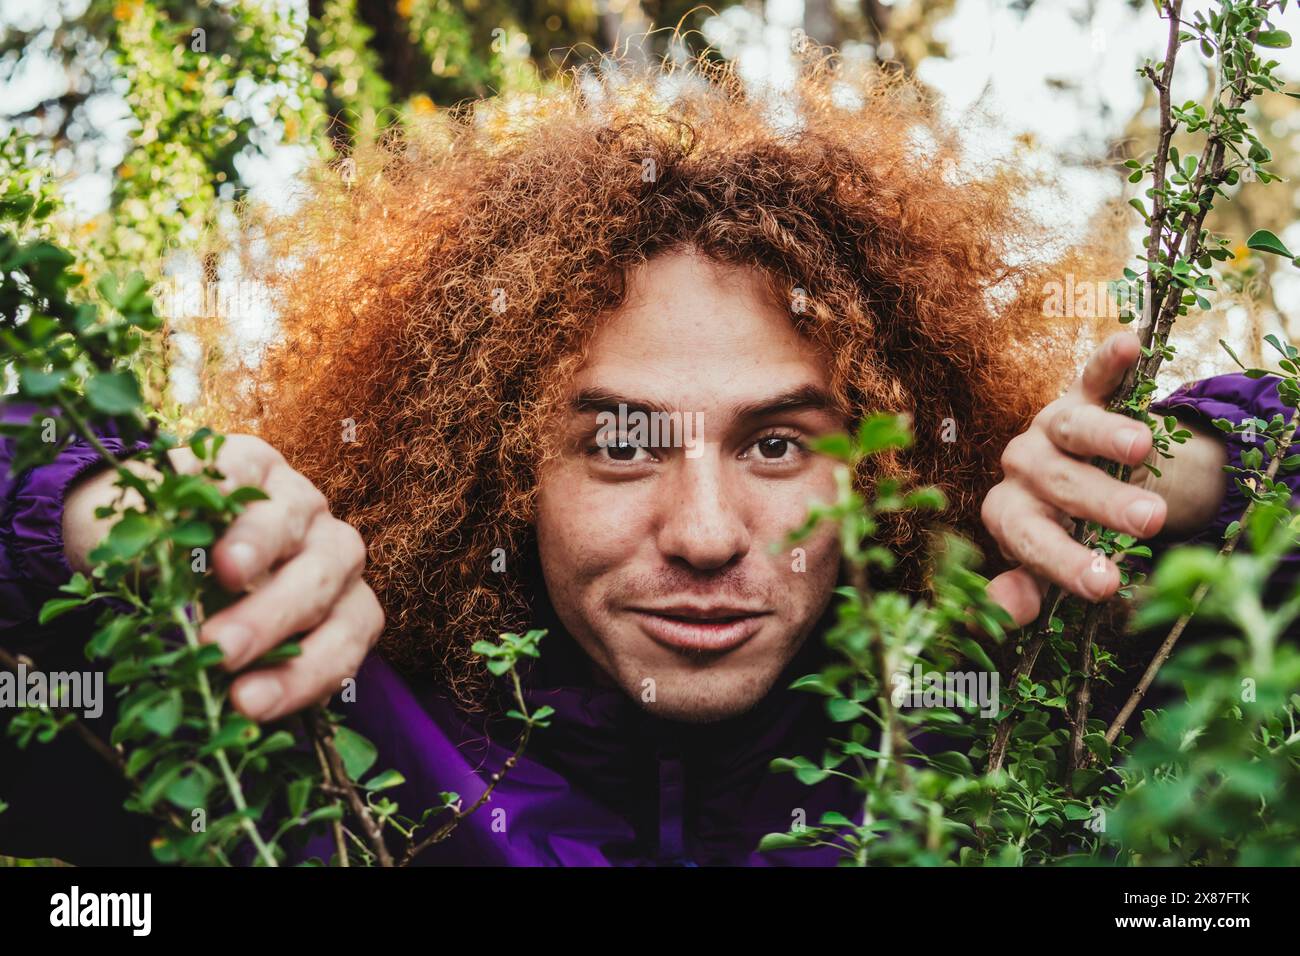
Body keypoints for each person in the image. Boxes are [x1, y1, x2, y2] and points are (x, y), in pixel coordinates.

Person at [0, 60, 1286, 865]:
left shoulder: (1039, 701)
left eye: (778, 442)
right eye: (619, 440)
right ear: (493, 464)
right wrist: (80, 513)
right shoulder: (302, 720)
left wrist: (1199, 475)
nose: (710, 530)